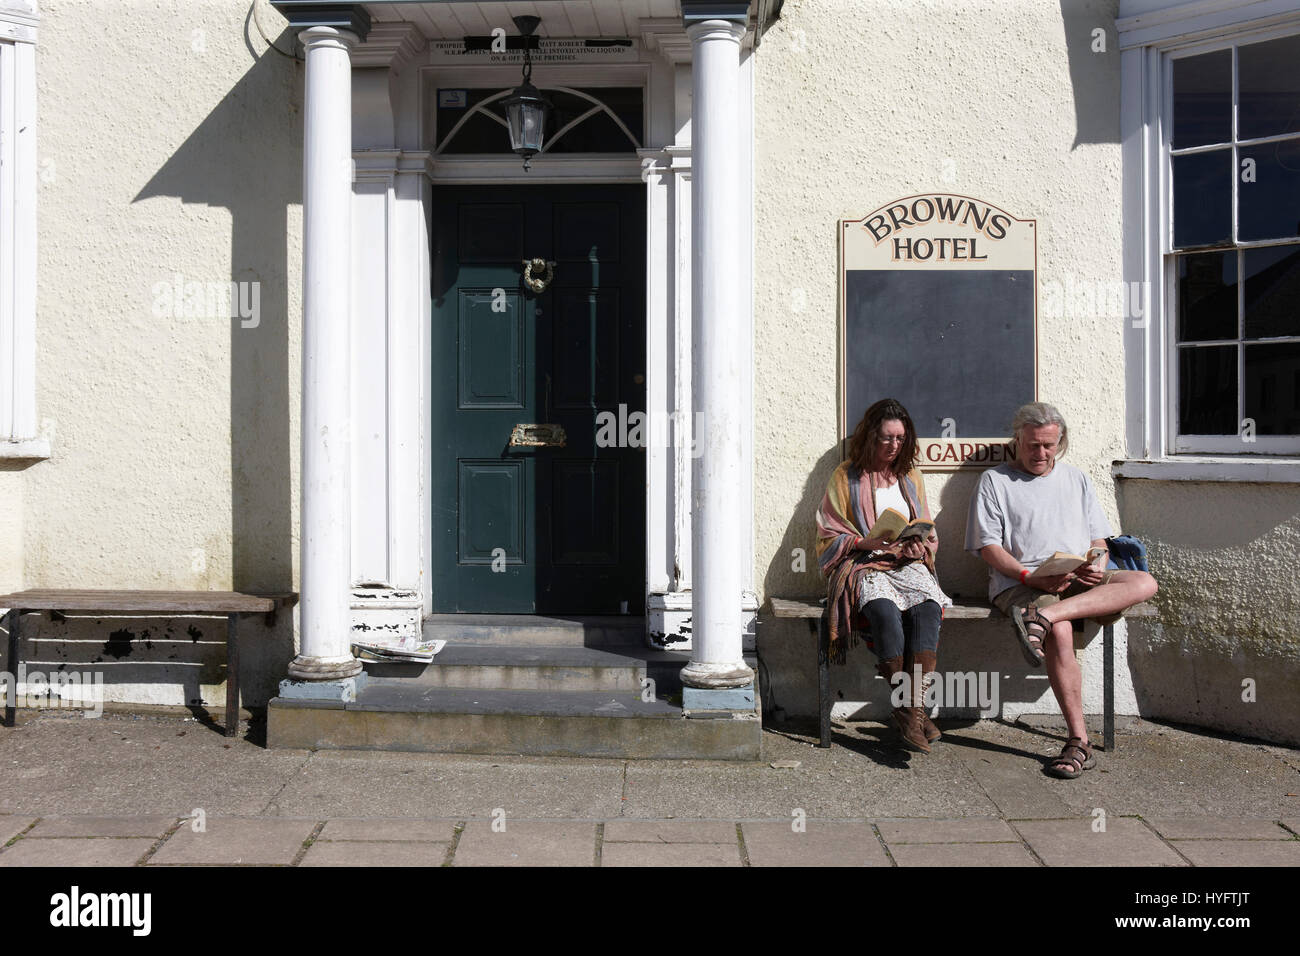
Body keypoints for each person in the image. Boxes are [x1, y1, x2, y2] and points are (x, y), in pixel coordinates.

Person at [965, 402, 1158, 778]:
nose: (1040, 453)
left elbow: (1098, 538)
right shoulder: (995, 481)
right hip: (1021, 582)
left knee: (1143, 581)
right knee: (1063, 632)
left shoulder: (1076, 479)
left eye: (1048, 446)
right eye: (1032, 445)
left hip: (1075, 580)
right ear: (1017, 441)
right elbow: (988, 548)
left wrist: (1097, 563)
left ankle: (1045, 617)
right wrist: (1028, 577)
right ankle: (1079, 741)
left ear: (1060, 443)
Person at [816, 398, 952, 753]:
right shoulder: (846, 476)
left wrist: (918, 546)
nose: (894, 446)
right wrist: (866, 541)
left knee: (927, 608)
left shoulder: (911, 476)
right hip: (865, 562)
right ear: (870, 437)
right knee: (883, 612)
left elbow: (927, 528)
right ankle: (914, 711)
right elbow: (827, 531)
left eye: (900, 439)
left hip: (906, 564)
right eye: (886, 438)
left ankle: (910, 711)